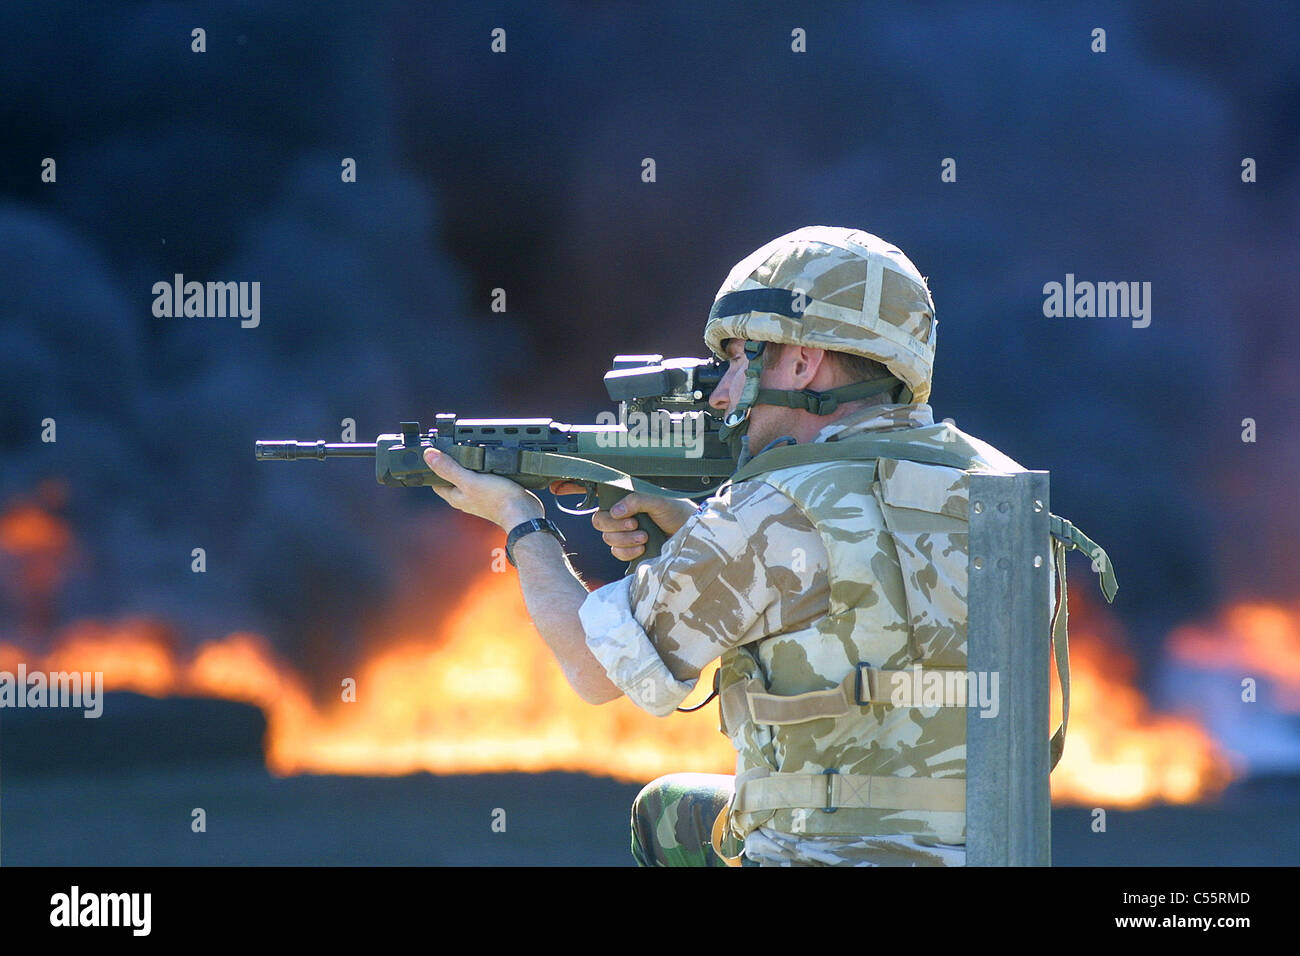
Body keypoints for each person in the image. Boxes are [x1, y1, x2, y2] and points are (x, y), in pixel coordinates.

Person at [423, 226, 1031, 866]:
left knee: (664, 811)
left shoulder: (769, 513)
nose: (722, 392)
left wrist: (520, 520)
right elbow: (872, 600)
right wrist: (699, 534)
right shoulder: (1005, 493)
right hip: (991, 852)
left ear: (803, 362)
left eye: (743, 359)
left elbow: (593, 671)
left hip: (821, 855)